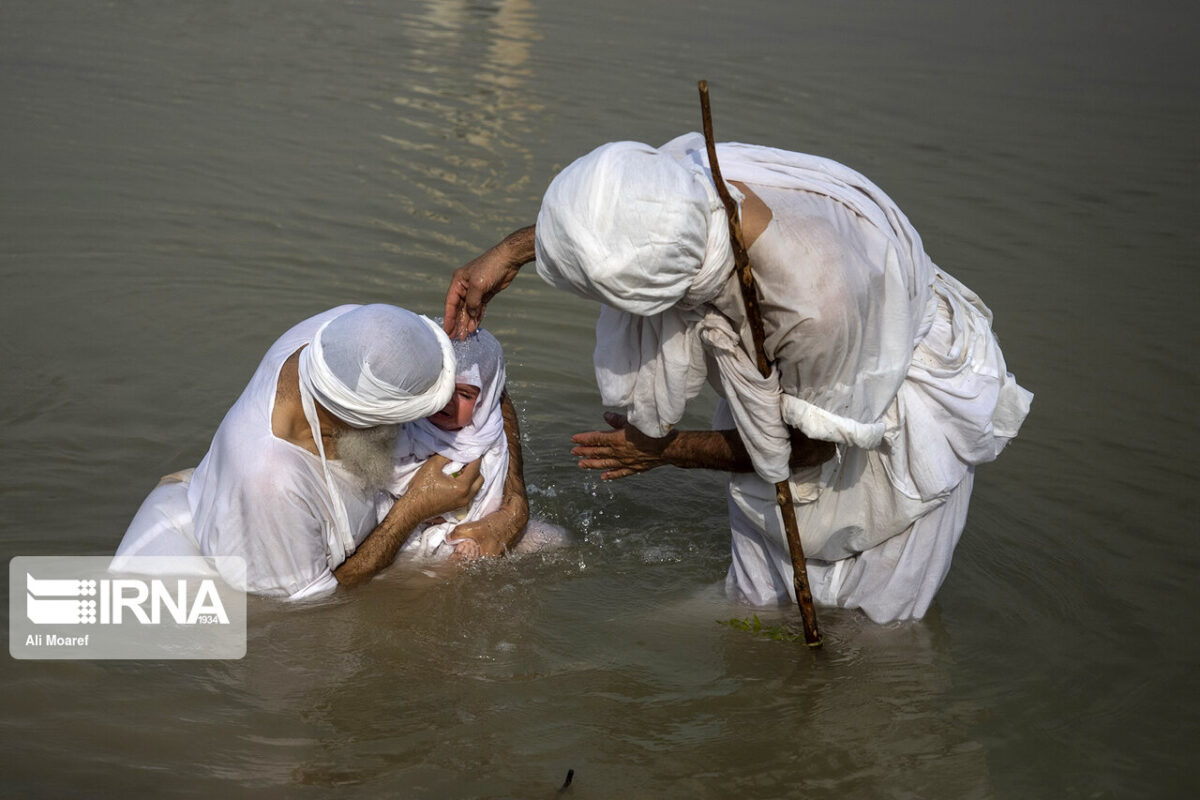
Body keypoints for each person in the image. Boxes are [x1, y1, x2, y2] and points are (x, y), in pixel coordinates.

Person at [443, 133, 1033, 623]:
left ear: (665, 294)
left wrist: (664, 450)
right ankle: (749, 619)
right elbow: (600, 226)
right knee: (758, 574)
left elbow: (807, 448)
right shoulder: (674, 180)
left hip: (883, 403)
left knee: (873, 630)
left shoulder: (817, 304)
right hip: (772, 374)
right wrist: (510, 252)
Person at [114, 303, 529, 599]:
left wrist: (513, 506)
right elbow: (320, 611)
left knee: (538, 543)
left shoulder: (349, 337)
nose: (444, 412)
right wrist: (414, 510)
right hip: (221, 578)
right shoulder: (271, 480)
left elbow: (483, 376)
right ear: (370, 419)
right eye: (426, 407)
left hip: (306, 530)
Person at [379, 327, 560, 561]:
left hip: (470, 523)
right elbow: (392, 474)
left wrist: (471, 526)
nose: (449, 401)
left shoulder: (489, 433)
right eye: (443, 389)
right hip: (410, 521)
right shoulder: (409, 426)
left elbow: (492, 485)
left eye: (465, 395)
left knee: (552, 538)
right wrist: (426, 506)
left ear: (483, 401)